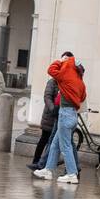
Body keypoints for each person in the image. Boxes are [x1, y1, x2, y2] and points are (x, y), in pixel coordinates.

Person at [33, 54, 85, 185]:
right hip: (73, 114)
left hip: (65, 114)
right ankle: (48, 170)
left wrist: (60, 61)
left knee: (66, 145)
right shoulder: (80, 81)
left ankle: (72, 174)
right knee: (56, 144)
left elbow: (51, 70)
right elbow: (83, 97)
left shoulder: (67, 74)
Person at [26, 57, 67, 170]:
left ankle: (46, 162)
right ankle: (36, 161)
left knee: (53, 141)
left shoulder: (66, 82)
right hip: (50, 115)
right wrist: (53, 108)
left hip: (60, 115)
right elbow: (47, 96)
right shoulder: (52, 82)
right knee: (44, 139)